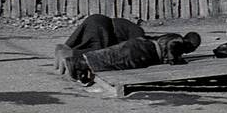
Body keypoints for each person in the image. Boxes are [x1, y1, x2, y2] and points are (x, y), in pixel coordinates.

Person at [73, 31, 202, 85]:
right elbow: (172, 45)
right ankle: (80, 63)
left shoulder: (174, 36)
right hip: (144, 51)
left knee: (112, 56)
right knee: (116, 60)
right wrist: (175, 60)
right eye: (192, 49)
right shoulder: (179, 41)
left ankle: (83, 65)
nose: (189, 52)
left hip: (141, 46)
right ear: (190, 44)